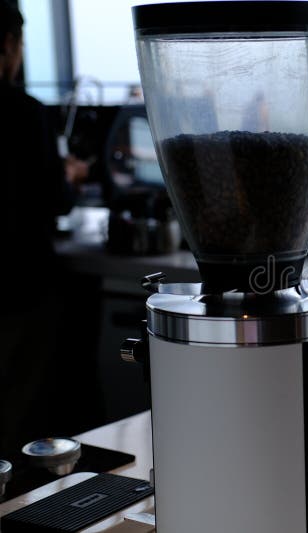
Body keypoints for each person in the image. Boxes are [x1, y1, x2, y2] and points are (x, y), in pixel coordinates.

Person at [0, 0, 88, 457]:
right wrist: (69, 176)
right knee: (18, 417)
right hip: (20, 289)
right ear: (10, 44)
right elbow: (54, 201)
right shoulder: (24, 113)